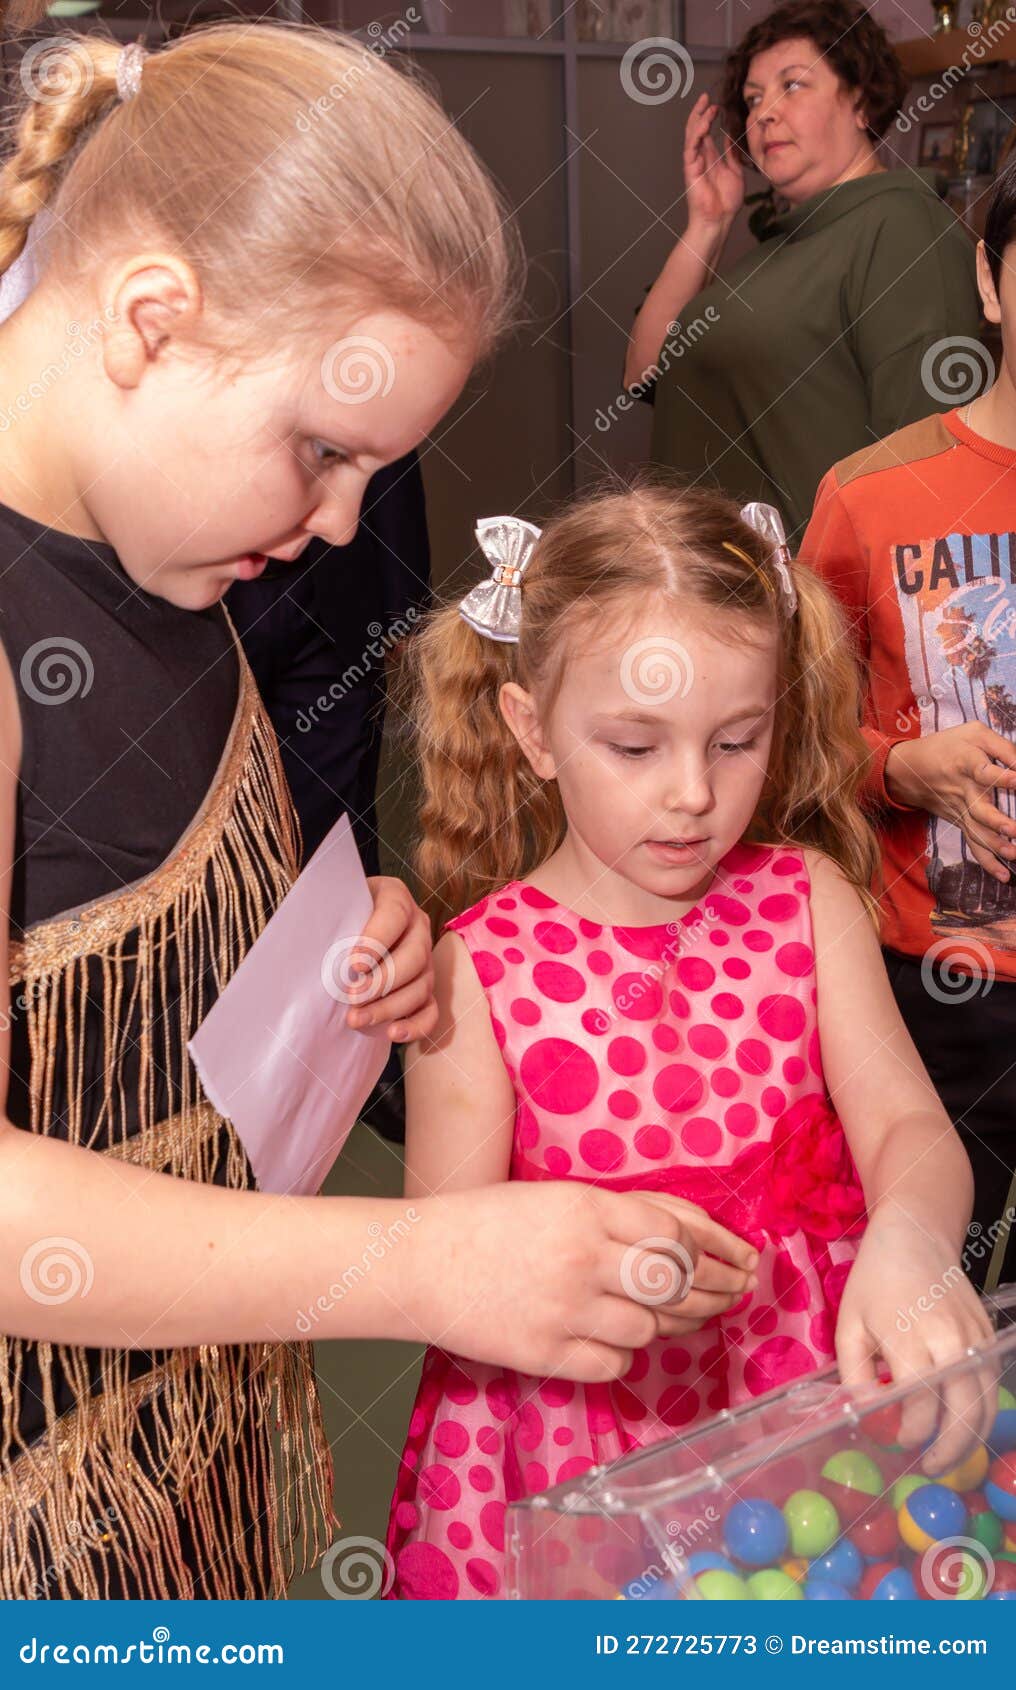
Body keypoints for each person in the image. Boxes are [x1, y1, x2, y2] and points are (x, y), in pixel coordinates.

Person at [0, 20, 702, 1600]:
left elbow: (118, 903)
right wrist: (421, 1257)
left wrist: (328, 946)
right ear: (149, 319)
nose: (329, 530)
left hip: (180, 1442)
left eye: (367, 478)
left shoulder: (161, 546)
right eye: (322, 454)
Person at [384, 485, 991, 1600]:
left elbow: (906, 1123)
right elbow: (444, 1263)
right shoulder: (475, 970)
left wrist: (909, 1239)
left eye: (735, 739)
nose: (692, 795)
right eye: (632, 745)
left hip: (806, 1420)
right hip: (576, 1456)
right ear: (532, 733)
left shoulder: (804, 899)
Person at [798, 158, 1016, 1297]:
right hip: (934, 978)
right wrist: (899, 765)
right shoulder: (870, 495)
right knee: (931, 1302)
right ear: (987, 279)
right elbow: (783, 738)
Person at [626, 0, 980, 539]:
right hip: (711, 593)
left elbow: (925, 471)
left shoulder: (902, 225)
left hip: (813, 603)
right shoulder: (780, 246)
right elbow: (646, 371)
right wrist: (708, 222)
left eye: (793, 85)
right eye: (753, 99)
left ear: (860, 100)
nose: (765, 112)